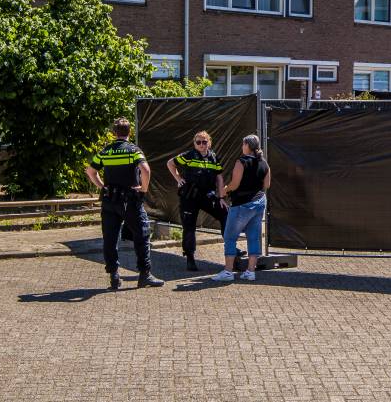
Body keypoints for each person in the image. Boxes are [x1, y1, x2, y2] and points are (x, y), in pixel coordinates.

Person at [85, 118, 164, 290]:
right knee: (142, 235)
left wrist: (102, 186)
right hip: (130, 201)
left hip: (109, 201)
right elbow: (146, 169)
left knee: (110, 238)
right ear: (130, 132)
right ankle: (145, 274)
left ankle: (114, 276)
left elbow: (91, 171)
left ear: (114, 133)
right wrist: (143, 188)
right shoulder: (133, 150)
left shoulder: (106, 151)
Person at [211, 134, 271, 282]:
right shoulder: (264, 163)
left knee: (230, 237)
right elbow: (267, 185)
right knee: (253, 237)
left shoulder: (241, 162)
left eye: (243, 144)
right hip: (259, 203)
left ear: (247, 146)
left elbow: (235, 184)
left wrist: (225, 190)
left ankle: (228, 272)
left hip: (241, 205)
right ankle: (250, 272)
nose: (242, 146)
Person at [166, 130, 227, 271]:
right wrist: (178, 179)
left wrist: (221, 197)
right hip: (190, 197)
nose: (201, 144)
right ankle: (190, 257)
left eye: (204, 142)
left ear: (209, 143)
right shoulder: (188, 155)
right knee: (189, 227)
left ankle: (231, 249)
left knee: (226, 214)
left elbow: (219, 178)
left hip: (208, 195)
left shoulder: (214, 157)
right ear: (194, 144)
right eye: (198, 142)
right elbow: (170, 163)